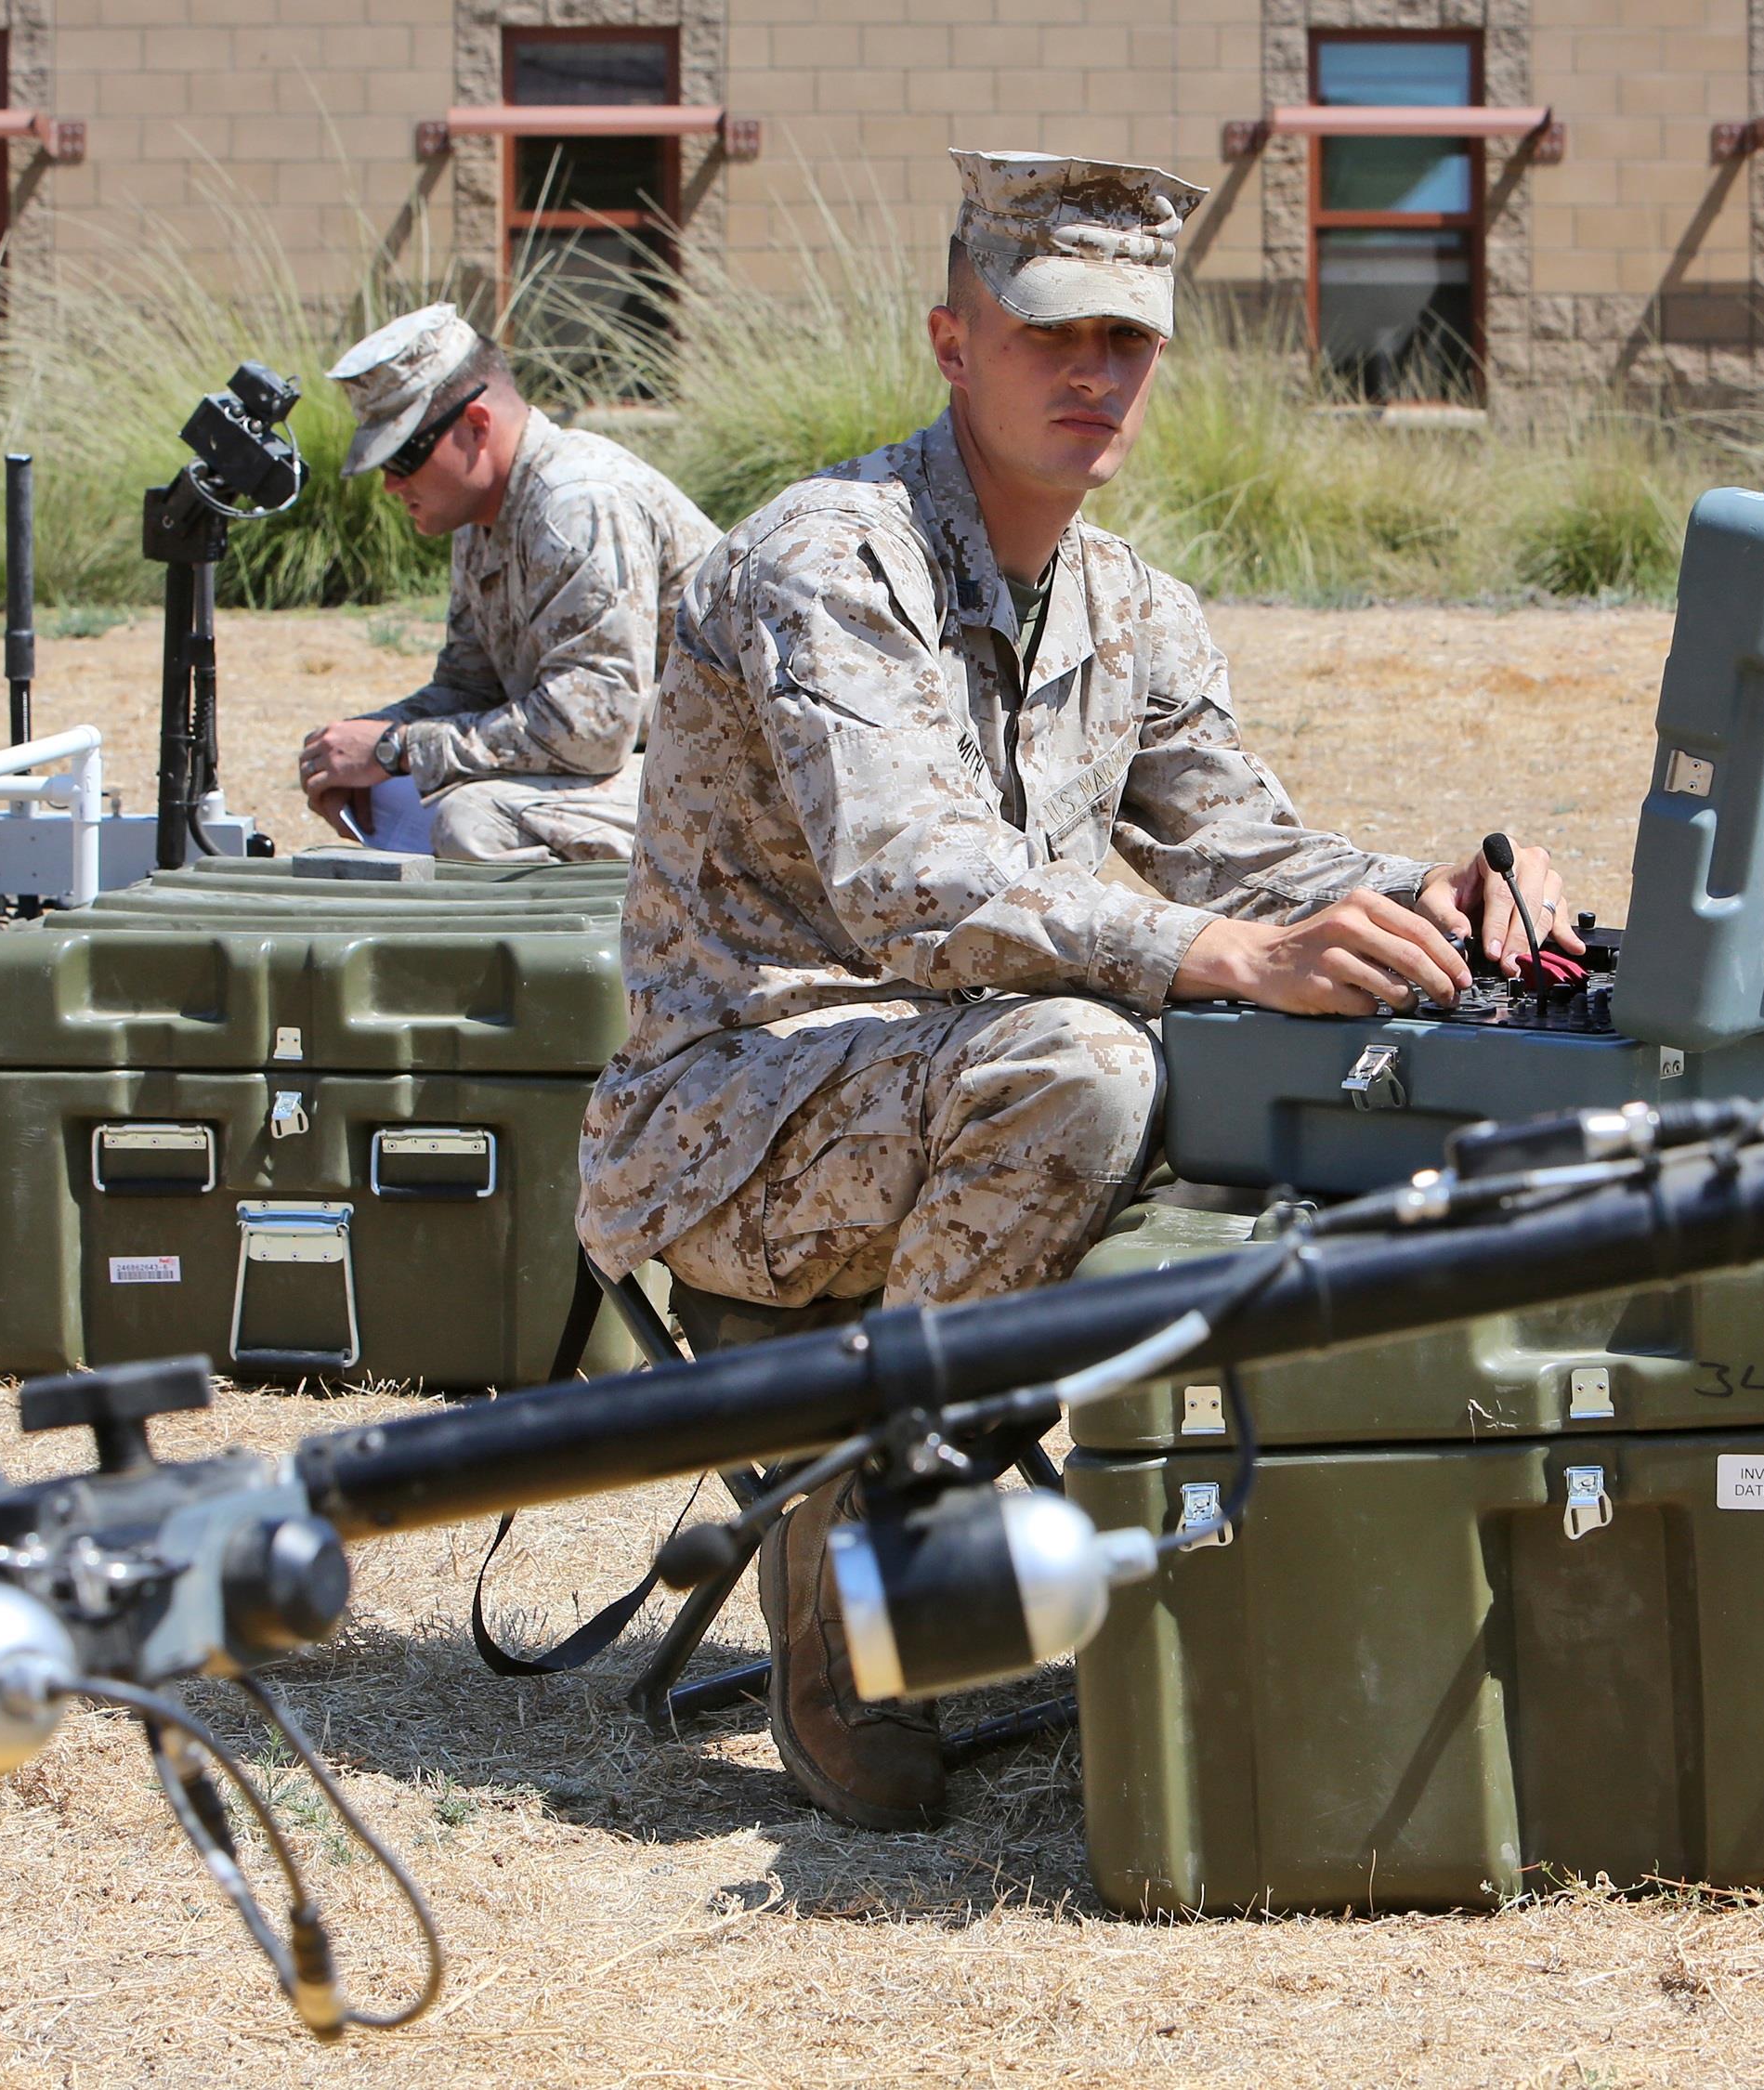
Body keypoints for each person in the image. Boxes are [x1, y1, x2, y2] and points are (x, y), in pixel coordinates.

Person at [575, 150, 1584, 1830]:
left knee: (1199, 1043)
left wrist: (1439, 900)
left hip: (945, 1080)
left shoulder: (1131, 607)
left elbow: (1248, 853)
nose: (1095, 372)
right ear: (954, 344)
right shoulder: (829, 560)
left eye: (1130, 337)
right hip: (729, 1110)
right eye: (1051, 333)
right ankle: (850, 1609)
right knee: (1100, 1064)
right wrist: (1219, 958)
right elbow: (913, 886)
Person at [296, 305, 720, 861]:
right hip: (647, 765)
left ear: (476, 424)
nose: (390, 484)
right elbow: (470, 689)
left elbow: (591, 728)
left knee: (473, 820)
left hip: (732, 780)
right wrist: (361, 744)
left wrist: (396, 749)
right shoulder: (482, 518)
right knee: (388, 788)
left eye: (402, 455)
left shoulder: (576, 502)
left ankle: (613, 944)